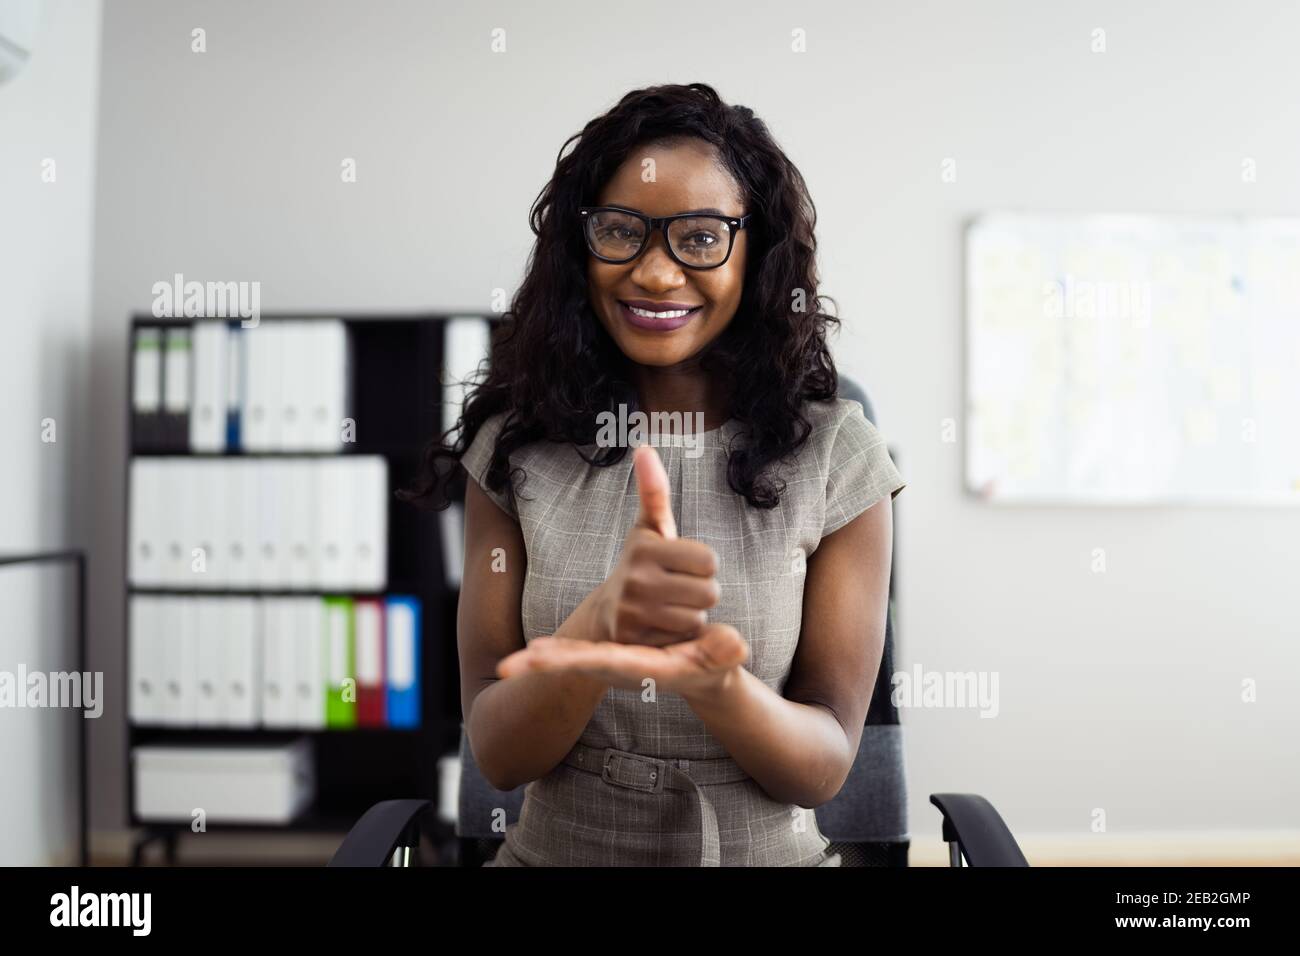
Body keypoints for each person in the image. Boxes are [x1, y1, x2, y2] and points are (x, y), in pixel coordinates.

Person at [401, 82, 905, 866]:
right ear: (582, 245)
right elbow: (498, 755)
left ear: (755, 251)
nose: (657, 275)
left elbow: (827, 764)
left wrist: (714, 681)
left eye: (700, 238)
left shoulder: (838, 456)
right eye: (622, 232)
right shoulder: (515, 450)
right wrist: (598, 630)